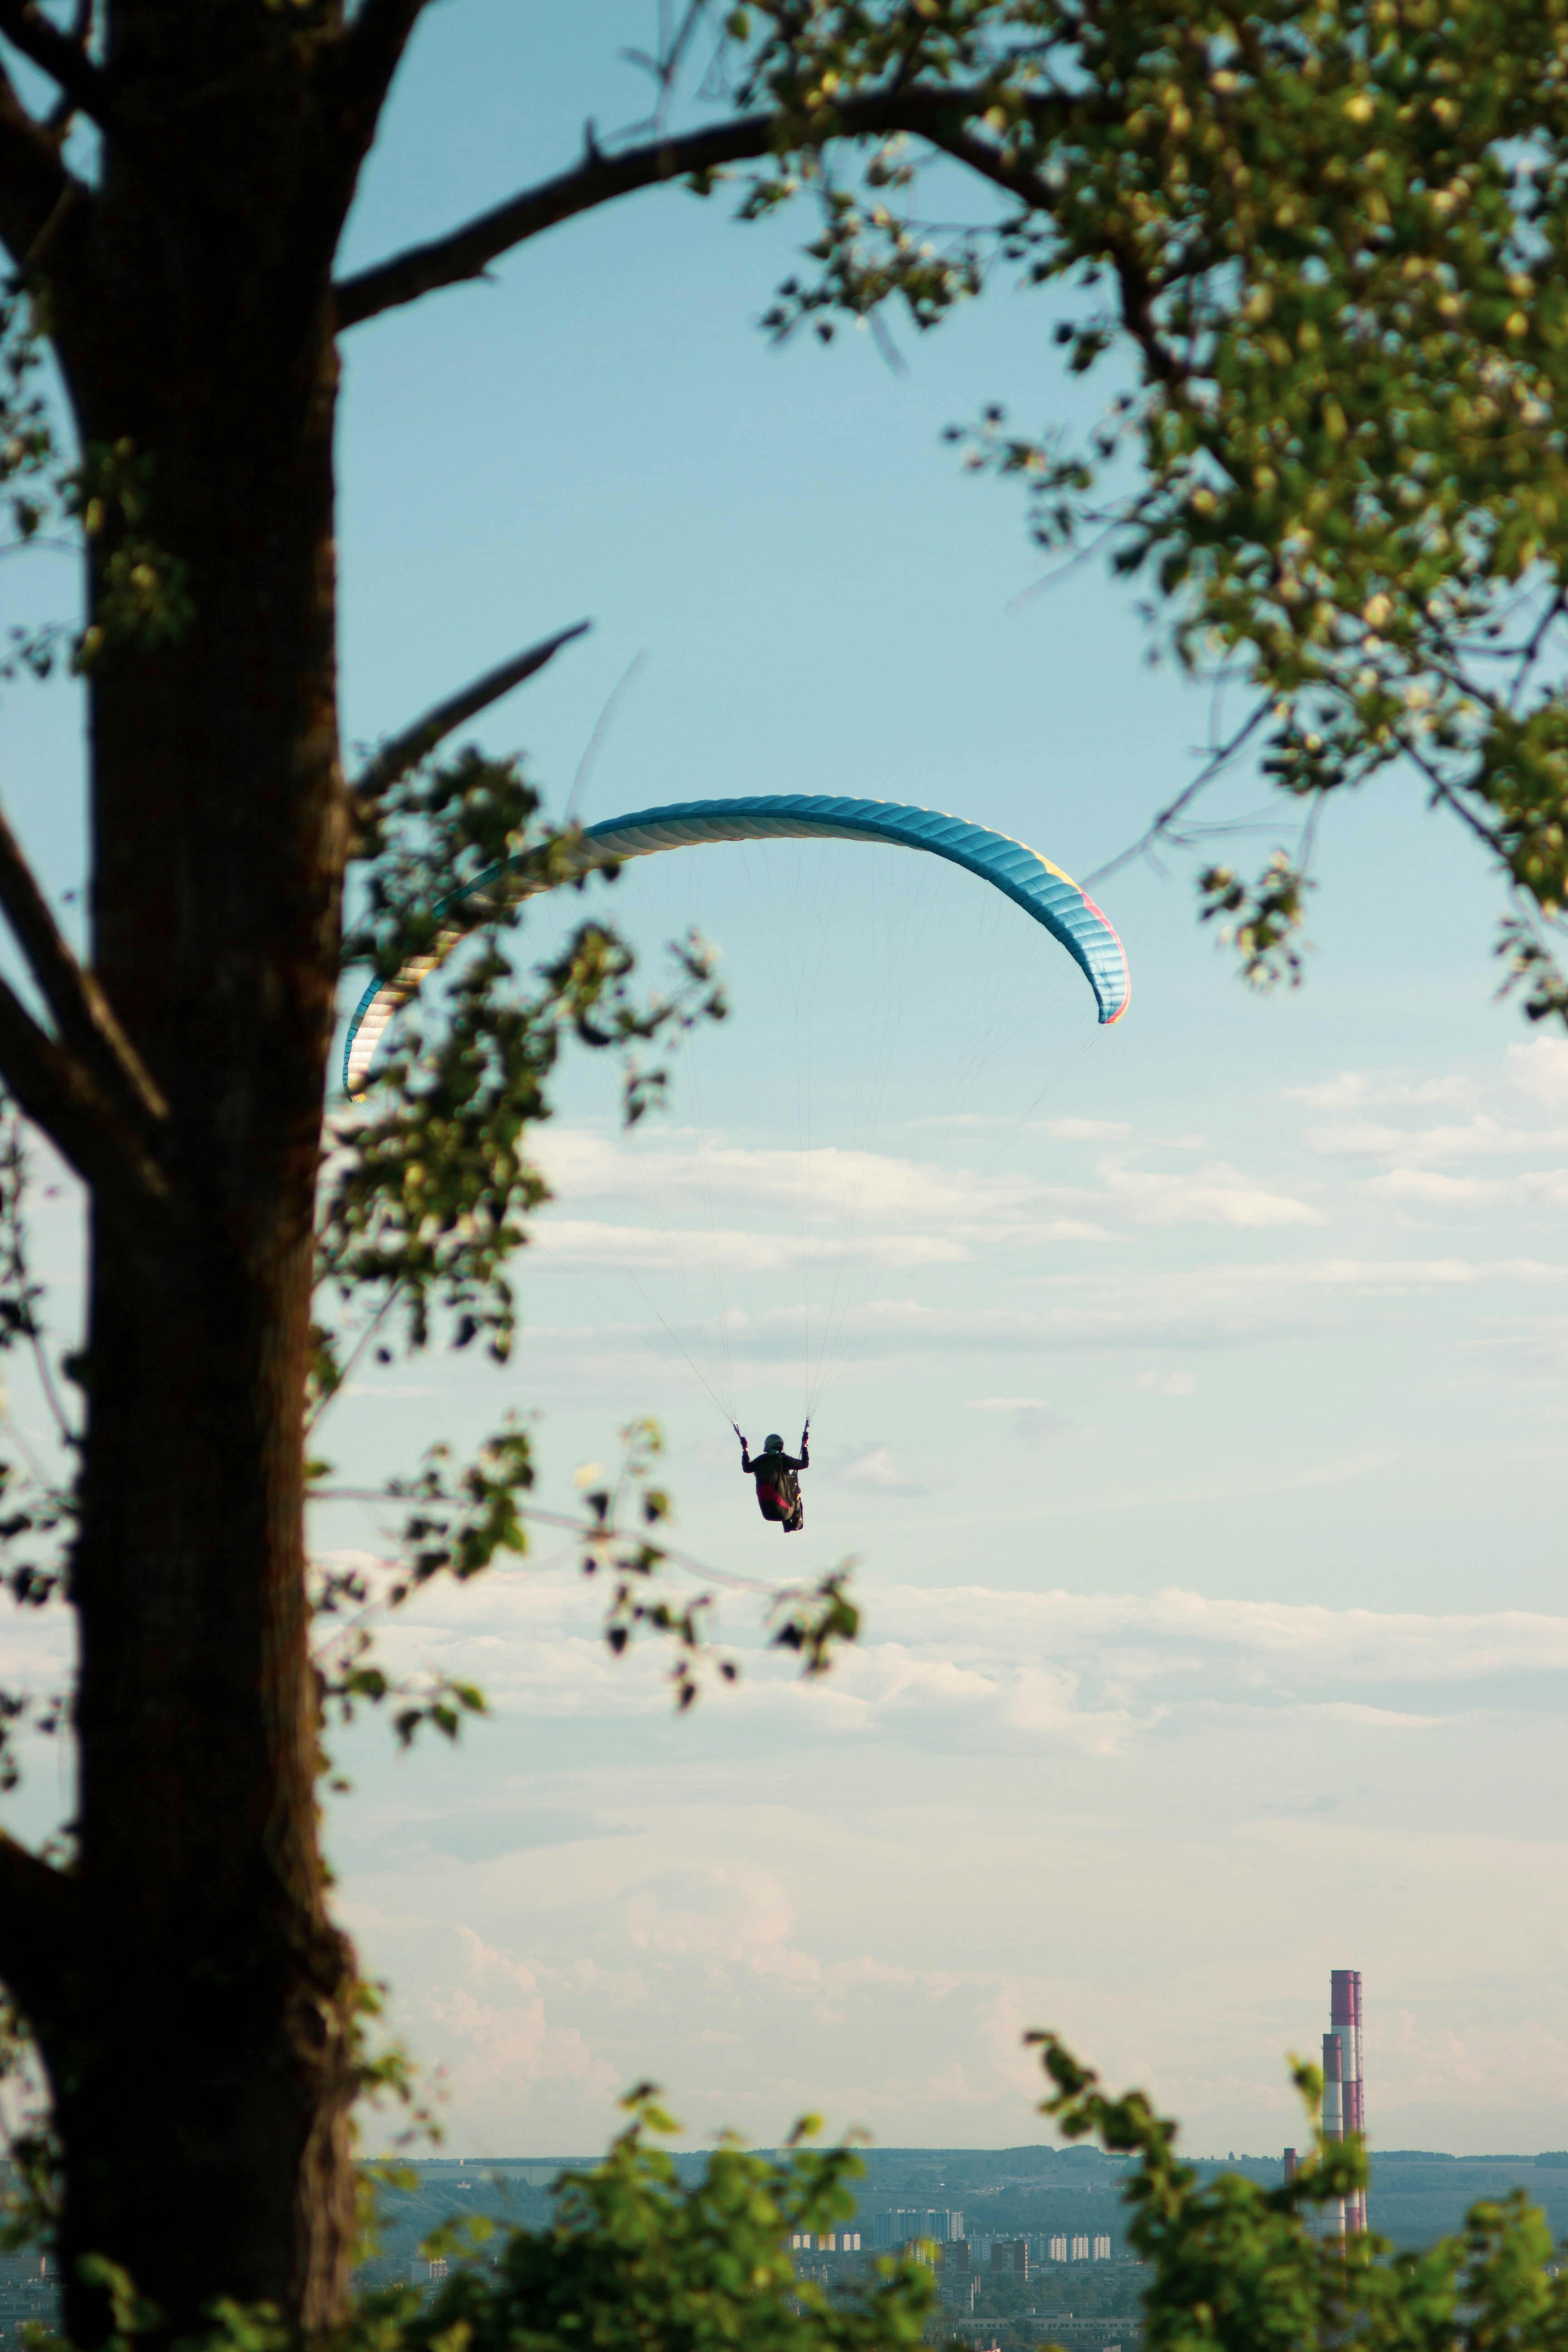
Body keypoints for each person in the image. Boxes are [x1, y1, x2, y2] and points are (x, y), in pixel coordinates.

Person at [736, 1423, 809, 1533]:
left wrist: (745, 1450)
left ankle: (788, 1525)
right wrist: (804, 1445)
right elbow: (804, 1464)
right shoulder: (784, 1460)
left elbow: (747, 1468)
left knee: (785, 1490)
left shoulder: (761, 1460)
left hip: (767, 1513)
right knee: (796, 1492)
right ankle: (793, 1525)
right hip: (785, 1512)